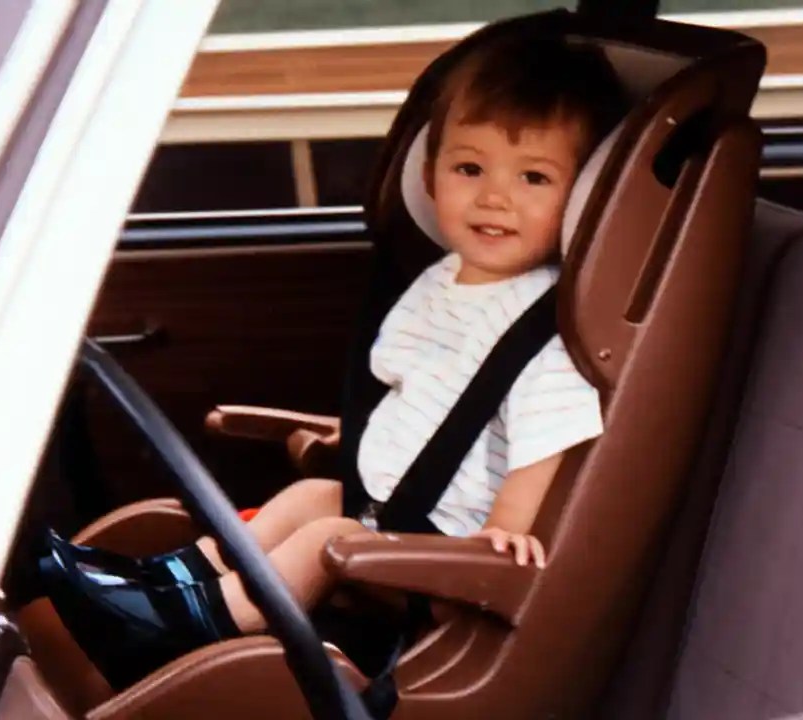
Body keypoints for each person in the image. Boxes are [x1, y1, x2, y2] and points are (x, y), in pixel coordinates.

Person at [39, 33, 629, 688]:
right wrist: (358, 440)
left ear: (581, 203)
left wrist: (504, 534)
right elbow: (427, 398)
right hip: (399, 515)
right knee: (316, 494)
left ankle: (198, 623)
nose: (494, 197)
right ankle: (168, 582)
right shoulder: (446, 281)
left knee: (331, 535)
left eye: (534, 178)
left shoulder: (549, 330)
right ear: (429, 177)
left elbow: (545, 442)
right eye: (470, 169)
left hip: (451, 557)